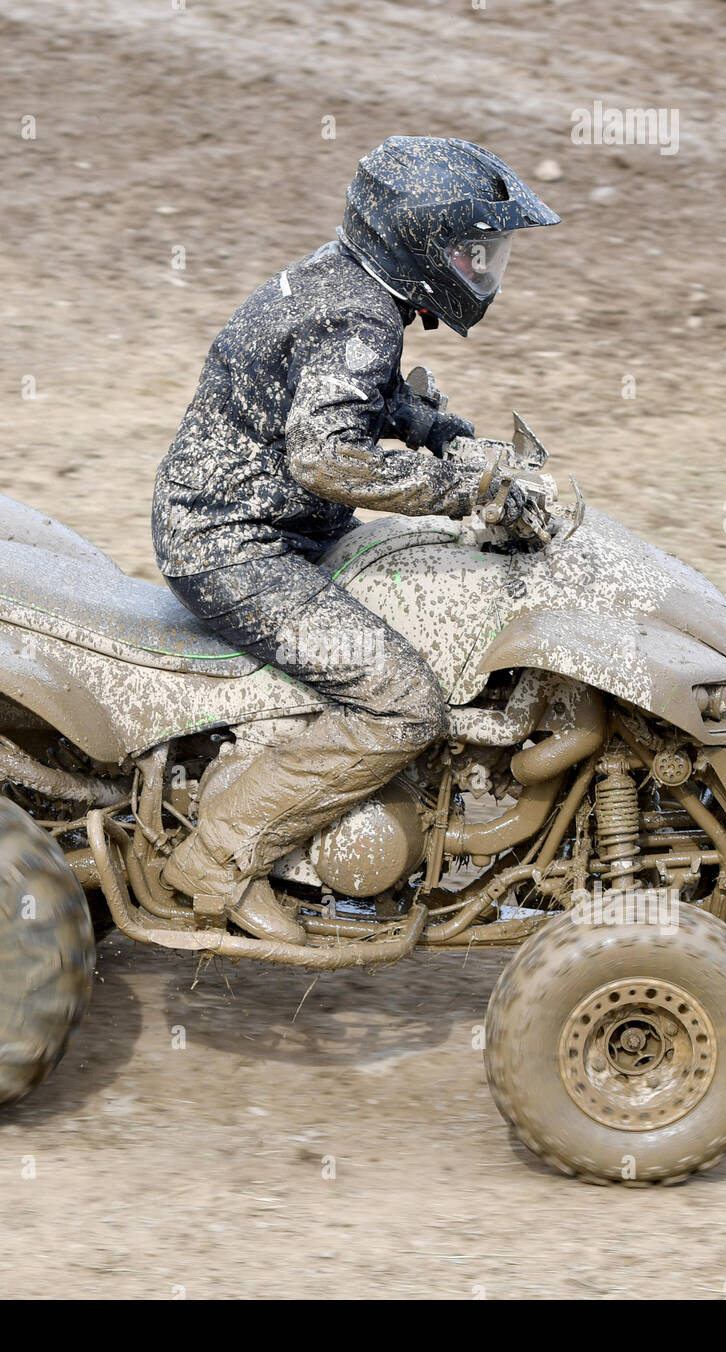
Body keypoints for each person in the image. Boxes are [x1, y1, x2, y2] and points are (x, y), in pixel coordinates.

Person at [151, 135, 559, 942]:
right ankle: (217, 858)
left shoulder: (347, 283)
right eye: (472, 254)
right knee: (405, 705)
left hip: (265, 526)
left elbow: (346, 399)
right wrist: (464, 490)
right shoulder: (358, 314)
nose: (485, 271)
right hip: (235, 548)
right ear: (418, 248)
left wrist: (435, 427)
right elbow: (326, 454)